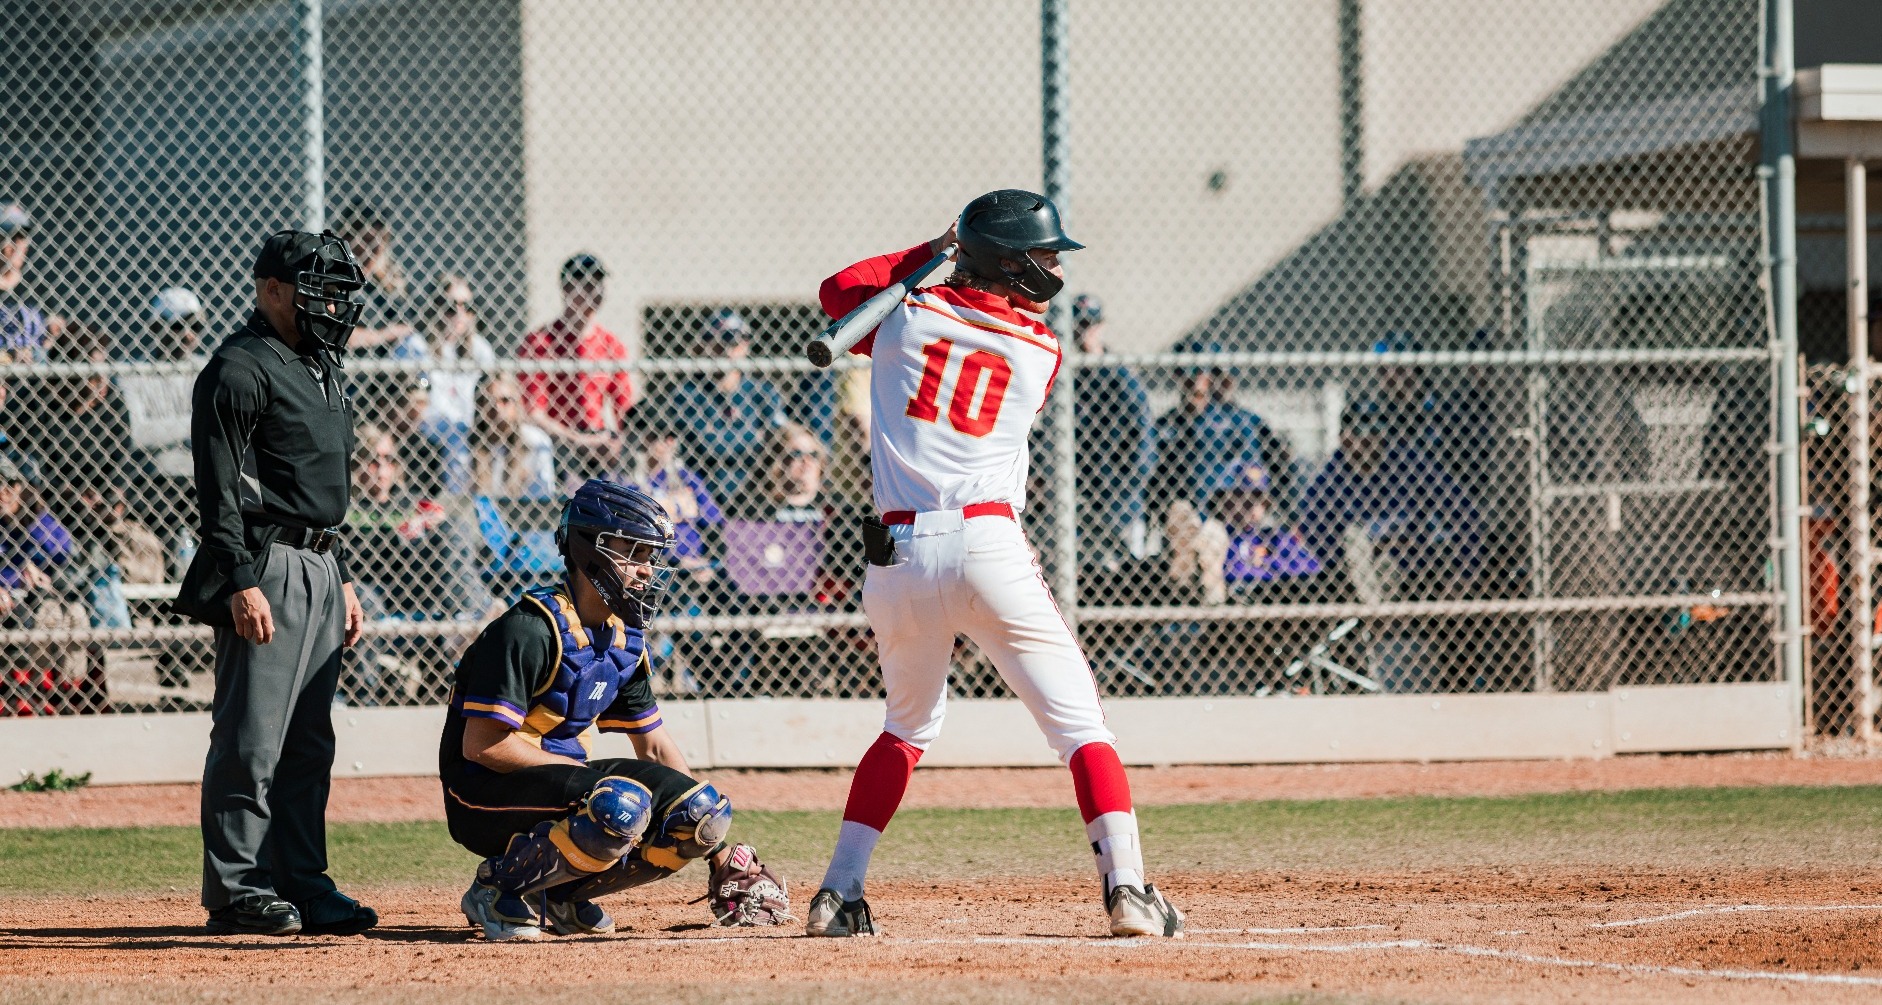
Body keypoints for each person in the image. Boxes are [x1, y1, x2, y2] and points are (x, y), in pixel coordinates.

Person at [805, 189, 1184, 939]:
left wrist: (931, 250)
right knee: (1081, 724)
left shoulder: (901, 315)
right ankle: (1129, 891)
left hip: (899, 556)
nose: (1051, 267)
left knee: (906, 727)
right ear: (1008, 263)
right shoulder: (1042, 350)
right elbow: (982, 330)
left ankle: (838, 892)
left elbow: (836, 293)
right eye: (1042, 255)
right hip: (987, 546)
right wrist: (954, 256)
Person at [445, 478, 789, 940]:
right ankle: (498, 887)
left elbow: (654, 749)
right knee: (620, 805)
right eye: (635, 554)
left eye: (651, 558)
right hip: (482, 797)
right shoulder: (530, 629)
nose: (646, 572)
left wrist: (717, 847)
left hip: (558, 786)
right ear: (592, 551)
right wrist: (588, 777)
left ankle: (561, 896)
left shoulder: (623, 639)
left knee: (697, 815)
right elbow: (483, 746)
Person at [169, 229, 374, 937]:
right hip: (267, 563)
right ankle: (235, 888)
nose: (334, 305)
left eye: (341, 291)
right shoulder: (239, 365)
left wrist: (343, 576)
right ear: (270, 290)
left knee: (308, 742)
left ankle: (301, 880)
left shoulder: (321, 361)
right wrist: (239, 578)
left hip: (320, 563)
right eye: (318, 290)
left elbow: (322, 485)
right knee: (252, 737)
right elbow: (218, 489)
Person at [1297, 397, 1481, 692]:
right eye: (1357, 434)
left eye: (1374, 433)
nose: (1366, 442)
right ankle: (1378, 617)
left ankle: (1455, 686)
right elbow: (1314, 534)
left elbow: (1464, 514)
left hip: (1416, 574)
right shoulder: (1332, 477)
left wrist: (1463, 571)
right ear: (1344, 438)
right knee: (1358, 541)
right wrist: (1368, 548)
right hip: (1355, 582)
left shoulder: (1407, 463)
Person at [518, 253, 636, 478]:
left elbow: (624, 411)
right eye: (585, 283)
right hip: (559, 442)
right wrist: (578, 441)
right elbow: (534, 413)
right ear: (566, 289)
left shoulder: (611, 345)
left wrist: (616, 442)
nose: (595, 290)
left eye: (598, 283)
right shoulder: (541, 342)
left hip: (599, 441)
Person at [1068, 294, 1155, 578]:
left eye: (1090, 325)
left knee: (1127, 571)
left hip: (1119, 495)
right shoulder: (1067, 375)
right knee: (1083, 570)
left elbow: (1142, 439)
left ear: (1101, 327)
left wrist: (1125, 491)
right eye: (1079, 325)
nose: (1084, 333)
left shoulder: (1120, 377)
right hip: (1079, 494)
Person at [666, 308, 786, 511]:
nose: (725, 348)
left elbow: (779, 444)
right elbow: (707, 445)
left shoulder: (763, 393)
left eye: (733, 340)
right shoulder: (687, 394)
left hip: (756, 495)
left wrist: (718, 435)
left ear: (746, 344)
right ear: (703, 346)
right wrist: (754, 437)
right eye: (715, 340)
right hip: (701, 495)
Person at [393, 274, 496, 494]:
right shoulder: (417, 345)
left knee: (535, 440)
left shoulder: (480, 348)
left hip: (471, 424)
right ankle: (458, 508)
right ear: (436, 307)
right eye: (451, 306)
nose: (459, 313)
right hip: (428, 423)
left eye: (467, 307)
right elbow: (410, 399)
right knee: (456, 434)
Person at [332, 205, 415, 356]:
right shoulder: (336, 281)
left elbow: (408, 327)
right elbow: (340, 334)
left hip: (390, 365)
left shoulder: (389, 282)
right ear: (347, 239)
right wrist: (384, 335)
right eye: (367, 240)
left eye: (381, 240)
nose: (375, 248)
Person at [470, 375, 558, 500]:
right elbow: (458, 500)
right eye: (489, 401)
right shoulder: (463, 443)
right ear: (479, 405)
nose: (497, 408)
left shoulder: (536, 440)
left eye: (505, 400)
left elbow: (541, 499)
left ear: (517, 403)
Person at [0, 200, 58, 365]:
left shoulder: (36, 287)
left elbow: (50, 333)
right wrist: (10, 356)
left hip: (35, 369)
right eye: (7, 238)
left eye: (21, 238)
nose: (15, 246)